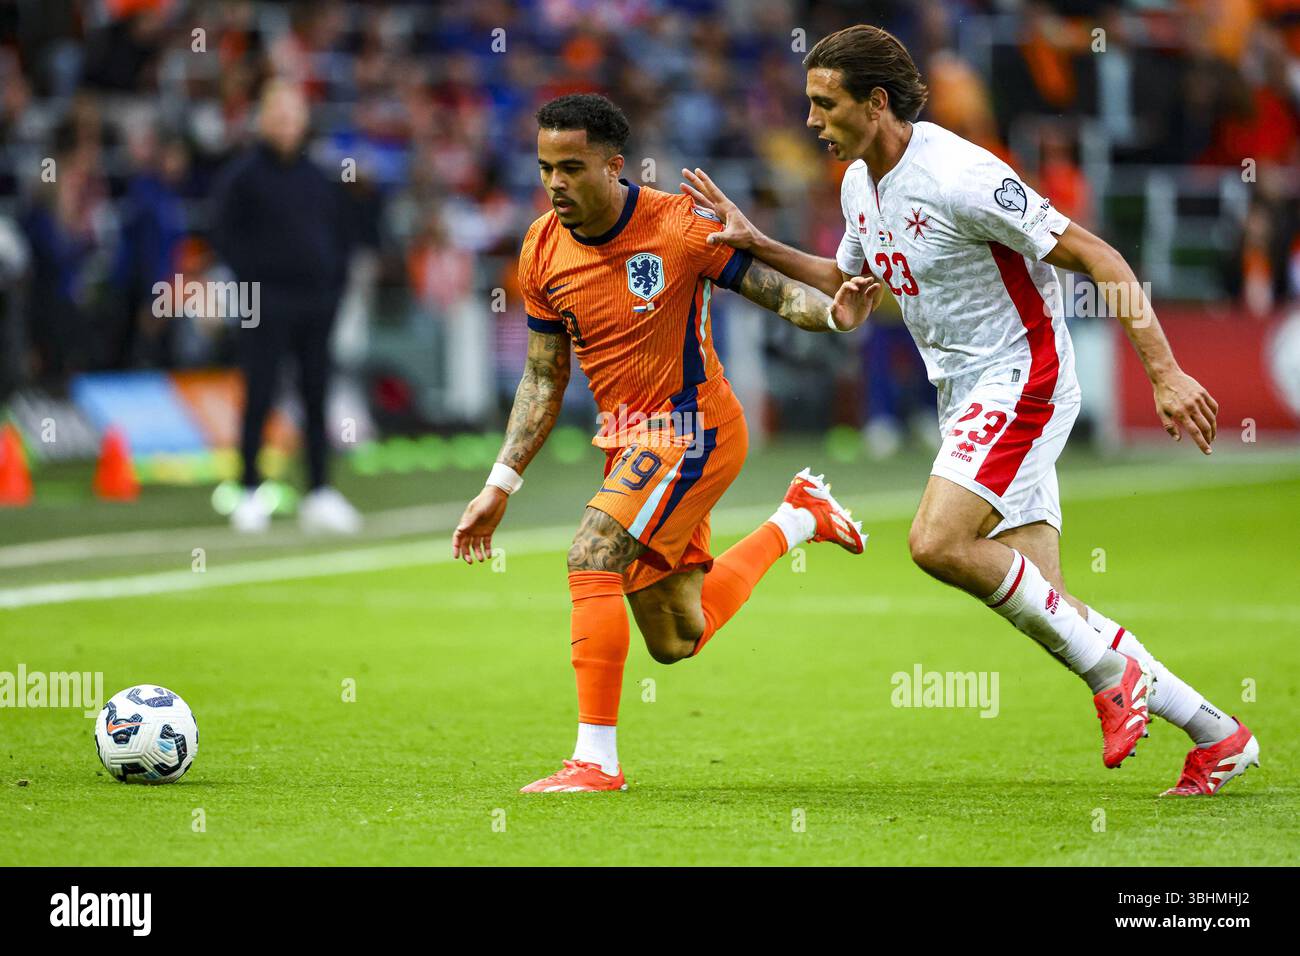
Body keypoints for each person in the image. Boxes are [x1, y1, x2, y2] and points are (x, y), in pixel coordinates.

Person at [682, 25, 1258, 798]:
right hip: (965, 395)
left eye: (825, 104)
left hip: (1026, 376)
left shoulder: (961, 173)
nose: (811, 120)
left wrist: (1166, 371)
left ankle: (1113, 677)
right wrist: (758, 244)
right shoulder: (860, 182)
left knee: (935, 541)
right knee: (1052, 606)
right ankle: (1219, 734)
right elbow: (845, 277)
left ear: (875, 102)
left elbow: (1099, 256)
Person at [452, 94, 879, 793]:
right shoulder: (539, 248)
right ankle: (800, 516)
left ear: (614, 166)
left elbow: (778, 295)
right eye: (543, 168)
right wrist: (499, 484)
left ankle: (596, 762)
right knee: (676, 639)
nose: (555, 183)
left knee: (591, 551)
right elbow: (540, 378)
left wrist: (833, 312)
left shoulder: (678, 226)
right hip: (629, 444)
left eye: (571, 167)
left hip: (694, 430)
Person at [210, 80, 361, 534]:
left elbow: (339, 239)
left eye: (293, 116)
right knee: (259, 393)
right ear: (262, 120)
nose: (285, 125)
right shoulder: (241, 177)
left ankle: (318, 490)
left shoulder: (317, 178)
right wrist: (254, 283)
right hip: (264, 301)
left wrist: (333, 291)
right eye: (277, 115)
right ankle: (250, 488)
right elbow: (223, 236)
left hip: (316, 303)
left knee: (316, 396)